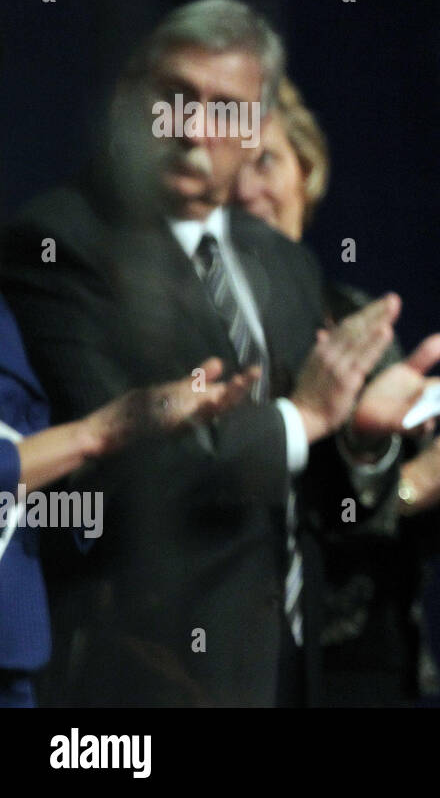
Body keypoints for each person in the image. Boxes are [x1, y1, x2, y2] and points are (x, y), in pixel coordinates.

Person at [0, 0, 440, 706]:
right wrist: (296, 420)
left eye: (224, 109)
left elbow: (314, 503)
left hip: (284, 670)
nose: (191, 129)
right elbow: (112, 465)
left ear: (256, 131)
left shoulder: (282, 260)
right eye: (174, 97)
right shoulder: (60, 243)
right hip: (139, 676)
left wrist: (362, 440)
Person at [235, 76, 440, 704]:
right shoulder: (198, 336)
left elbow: (409, 533)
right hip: (270, 668)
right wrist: (397, 478)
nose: (246, 189)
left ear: (306, 171)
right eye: (226, 167)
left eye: (264, 160)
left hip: (383, 662)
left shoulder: (352, 315)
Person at [1, 293, 257, 707]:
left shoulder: (7, 316)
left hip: (16, 658)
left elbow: (31, 503)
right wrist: (94, 434)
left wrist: (122, 448)